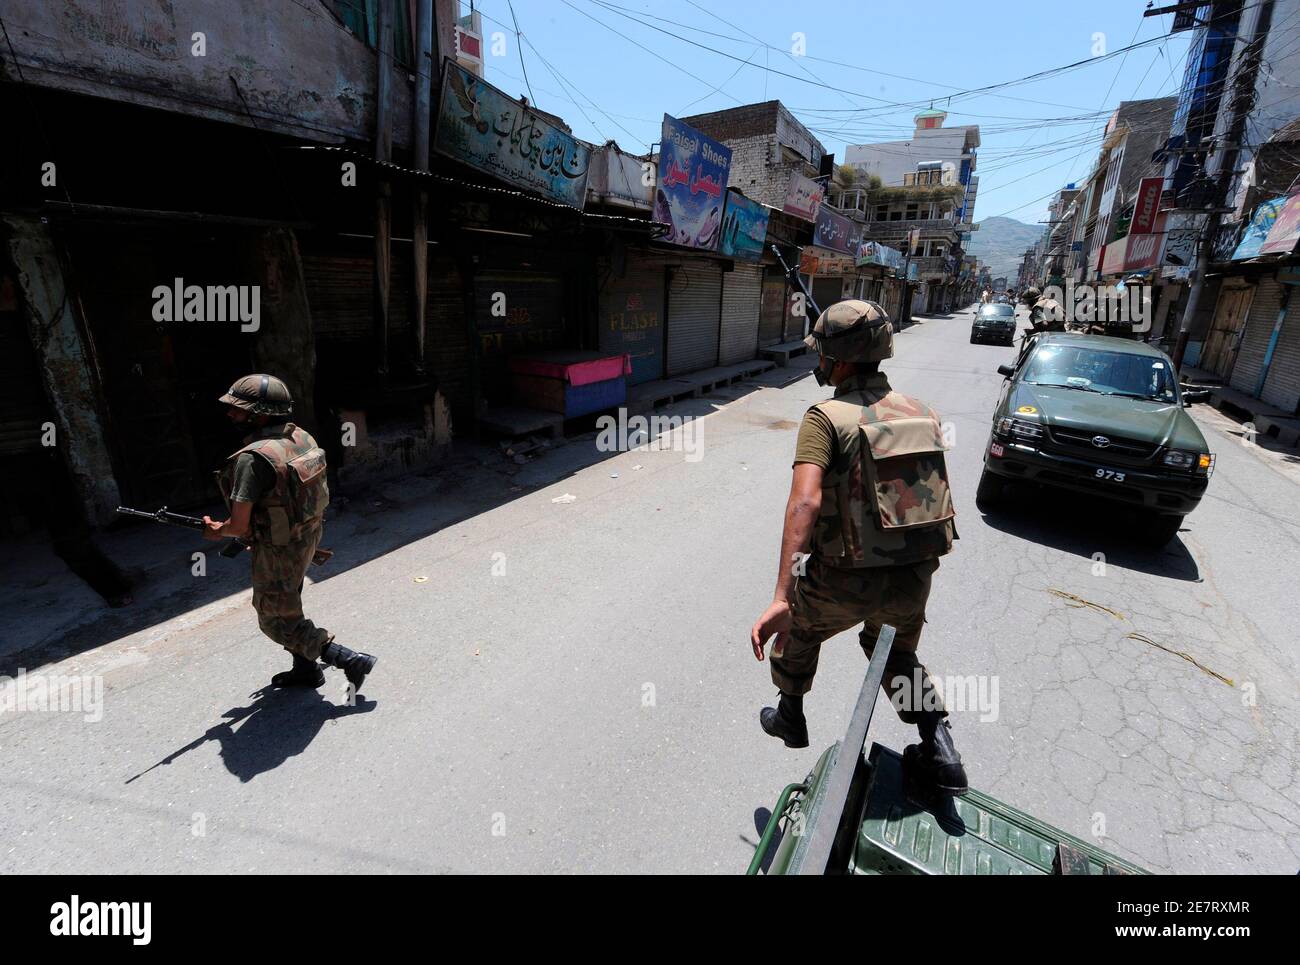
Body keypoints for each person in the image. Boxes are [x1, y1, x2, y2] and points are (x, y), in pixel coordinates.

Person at [749, 300, 968, 796]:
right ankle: (940, 746)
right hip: (912, 579)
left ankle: (790, 715)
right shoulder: (923, 413)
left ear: (840, 363)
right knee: (890, 650)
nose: (818, 363)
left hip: (841, 580)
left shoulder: (825, 419)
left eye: (823, 354)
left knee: (799, 631)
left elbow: (804, 501)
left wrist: (783, 596)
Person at [204, 374, 377, 693]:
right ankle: (306, 670)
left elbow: (238, 526)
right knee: (289, 603)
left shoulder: (253, 460)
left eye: (239, 410)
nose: (231, 415)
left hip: (279, 548)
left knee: (275, 619)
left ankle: (348, 659)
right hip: (306, 537)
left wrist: (216, 531)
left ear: (261, 414)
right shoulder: (300, 437)